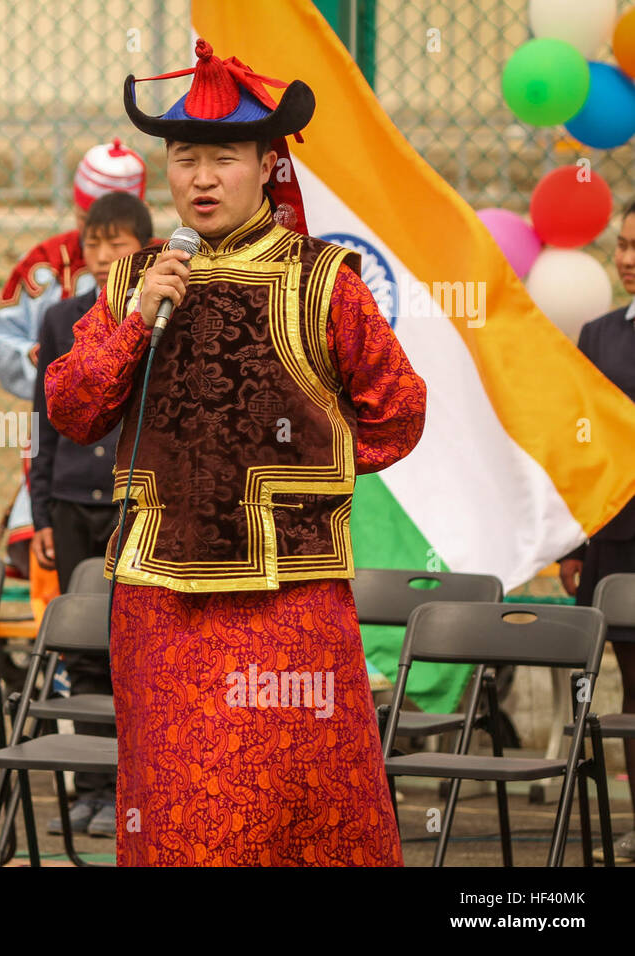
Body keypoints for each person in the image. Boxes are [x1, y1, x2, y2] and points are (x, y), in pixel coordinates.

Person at [45, 39, 427, 866]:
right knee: (180, 820)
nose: (203, 178)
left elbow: (398, 413)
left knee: (289, 815)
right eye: (186, 158)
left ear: (267, 166)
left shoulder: (323, 281)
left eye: (225, 157)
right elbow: (71, 410)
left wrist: (302, 477)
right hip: (158, 604)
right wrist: (134, 319)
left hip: (287, 606)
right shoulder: (132, 283)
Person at [31, 191, 153, 837]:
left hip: (135, 505)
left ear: (146, 249)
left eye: (119, 244)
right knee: (82, 651)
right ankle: (91, 786)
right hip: (74, 504)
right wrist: (43, 513)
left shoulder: (159, 318)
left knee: (131, 648)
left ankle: (131, 790)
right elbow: (42, 426)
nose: (104, 257)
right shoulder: (60, 321)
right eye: (95, 244)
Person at [0, 140, 147, 575]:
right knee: (65, 602)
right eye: (89, 233)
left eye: (117, 238)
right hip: (66, 474)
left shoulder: (161, 282)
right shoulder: (42, 268)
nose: (103, 254)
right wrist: (56, 368)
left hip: (136, 482)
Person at [559, 200, 635, 863]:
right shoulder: (599, 335)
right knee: (629, 690)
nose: (629, 259)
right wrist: (572, 542)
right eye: (624, 246)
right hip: (615, 540)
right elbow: (579, 445)